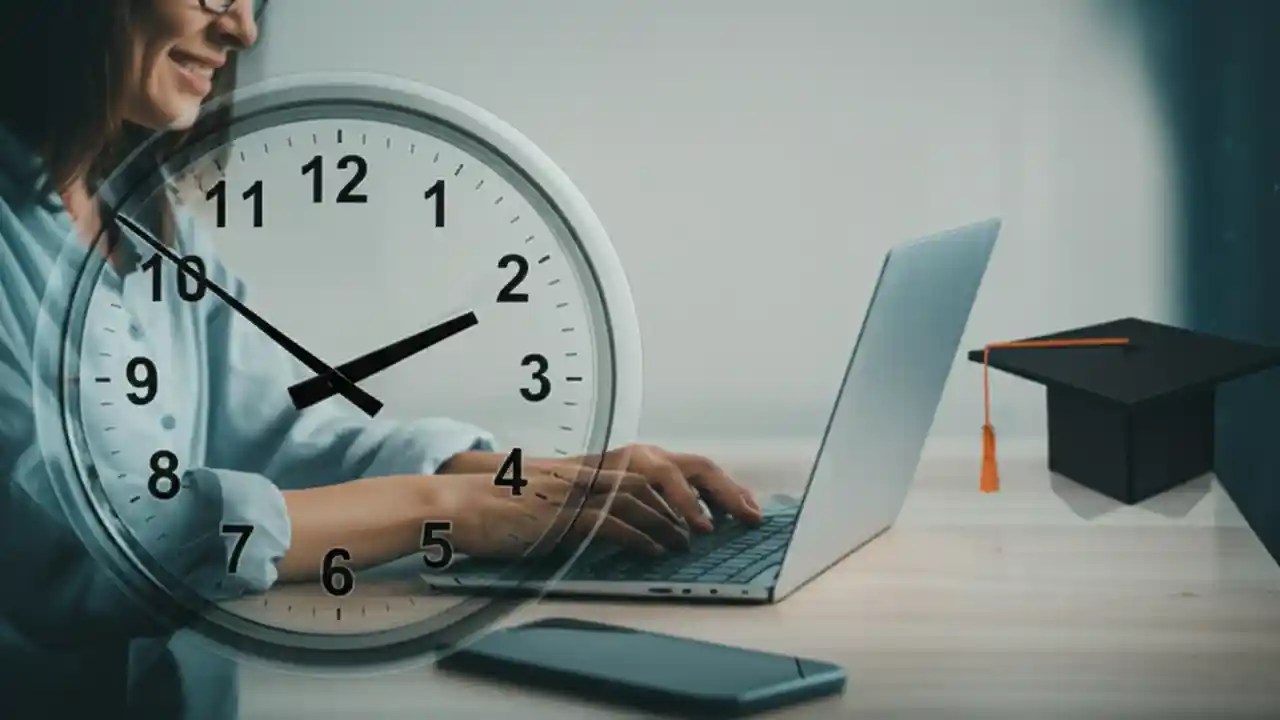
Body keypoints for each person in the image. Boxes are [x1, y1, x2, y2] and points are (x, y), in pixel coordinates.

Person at [0, 1, 763, 718]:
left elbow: (274, 438)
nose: (243, 29)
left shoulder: (140, 221)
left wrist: (531, 484)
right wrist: (450, 512)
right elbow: (91, 547)